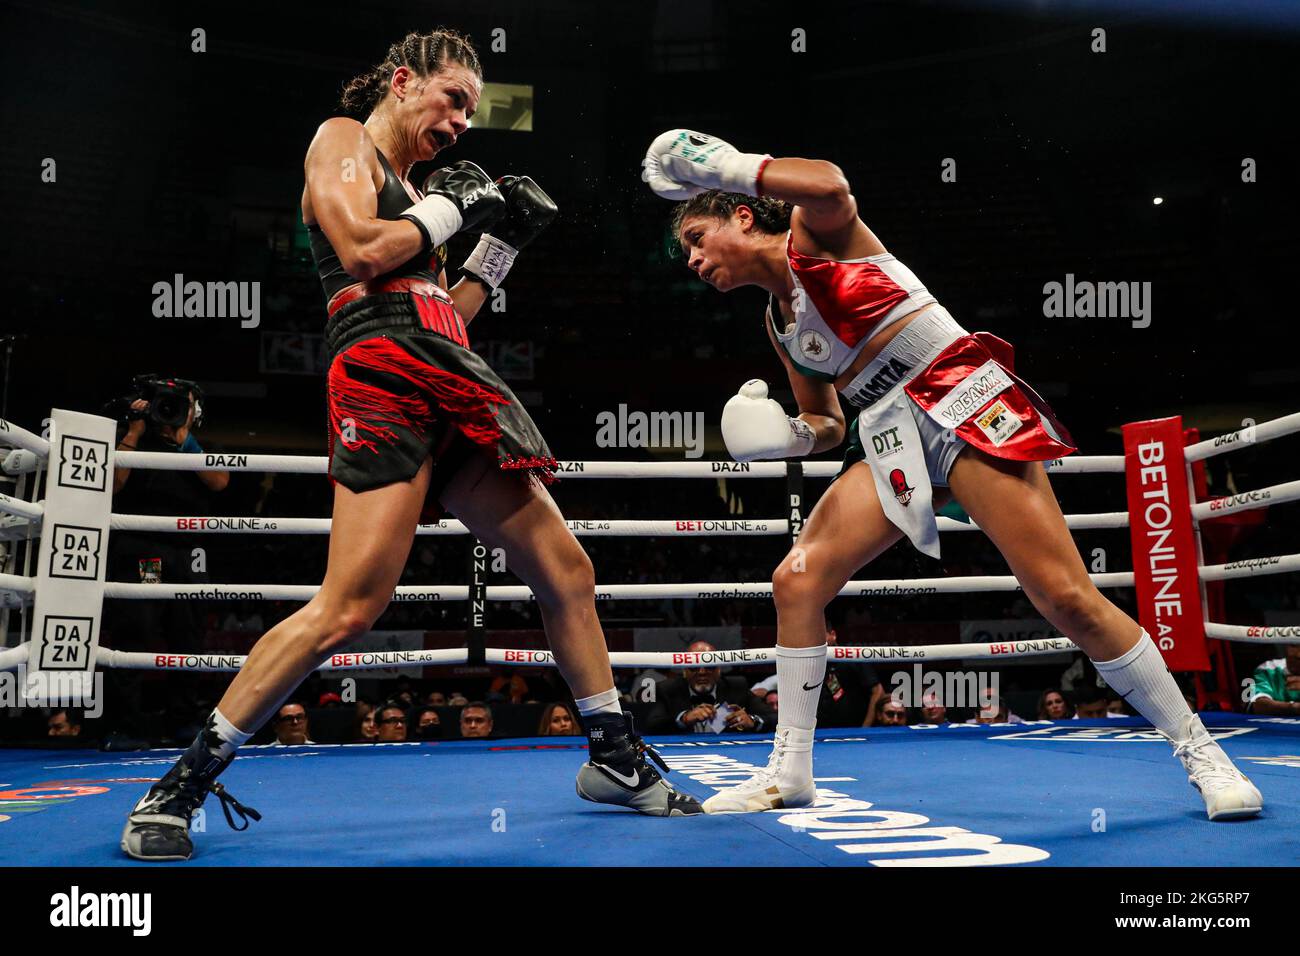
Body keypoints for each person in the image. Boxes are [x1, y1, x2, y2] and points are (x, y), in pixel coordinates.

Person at [121, 29, 701, 861]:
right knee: (350, 608)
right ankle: (180, 784)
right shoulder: (342, 140)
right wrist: (452, 210)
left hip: (447, 367)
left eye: (471, 108)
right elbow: (362, 252)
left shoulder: (417, 192)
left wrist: (500, 248)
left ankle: (612, 756)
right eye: (454, 98)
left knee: (567, 571)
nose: (463, 120)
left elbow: (442, 310)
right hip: (382, 374)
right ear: (402, 81)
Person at [643, 127, 1262, 821]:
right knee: (797, 579)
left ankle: (1203, 754)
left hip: (960, 397)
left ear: (744, 215)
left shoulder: (816, 241)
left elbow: (831, 184)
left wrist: (728, 165)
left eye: (697, 236)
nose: (692, 259)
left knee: (1066, 598)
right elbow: (829, 422)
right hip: (888, 432)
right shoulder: (778, 323)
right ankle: (789, 772)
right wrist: (788, 436)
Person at [645, 641, 776, 734]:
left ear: (719, 669)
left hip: (730, 752)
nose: (702, 672)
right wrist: (684, 719)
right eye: (694, 667)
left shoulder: (737, 686)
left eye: (709, 666)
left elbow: (775, 718)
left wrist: (753, 721)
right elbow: (649, 725)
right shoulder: (668, 689)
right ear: (685, 671)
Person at [1247, 643, 1300, 717]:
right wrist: (1294, 707)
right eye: (1293, 646)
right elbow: (1258, 705)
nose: (1298, 654)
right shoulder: (1267, 670)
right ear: (1285, 647)